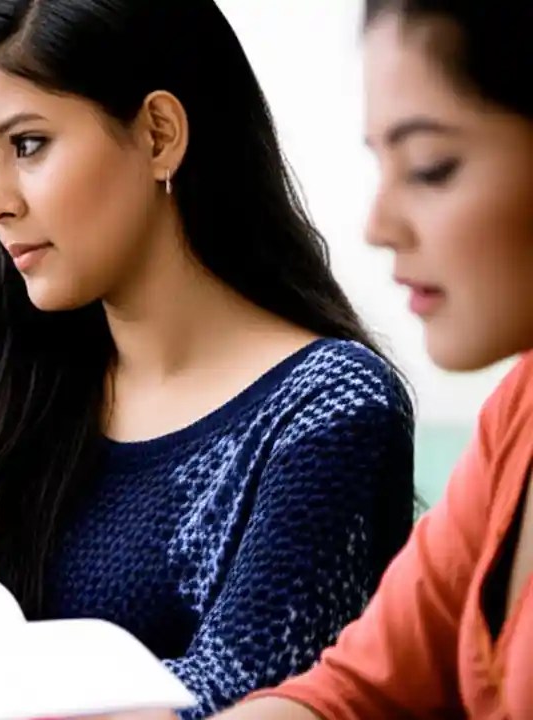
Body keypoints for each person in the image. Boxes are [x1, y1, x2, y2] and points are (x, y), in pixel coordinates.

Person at [0, 0, 416, 716]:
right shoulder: (0, 395)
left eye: (27, 144)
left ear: (159, 135)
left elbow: (240, 692)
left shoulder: (325, 406)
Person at [213, 1, 533, 718]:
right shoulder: (518, 411)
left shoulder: (325, 396)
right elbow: (358, 690)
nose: (377, 226)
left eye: (430, 168)